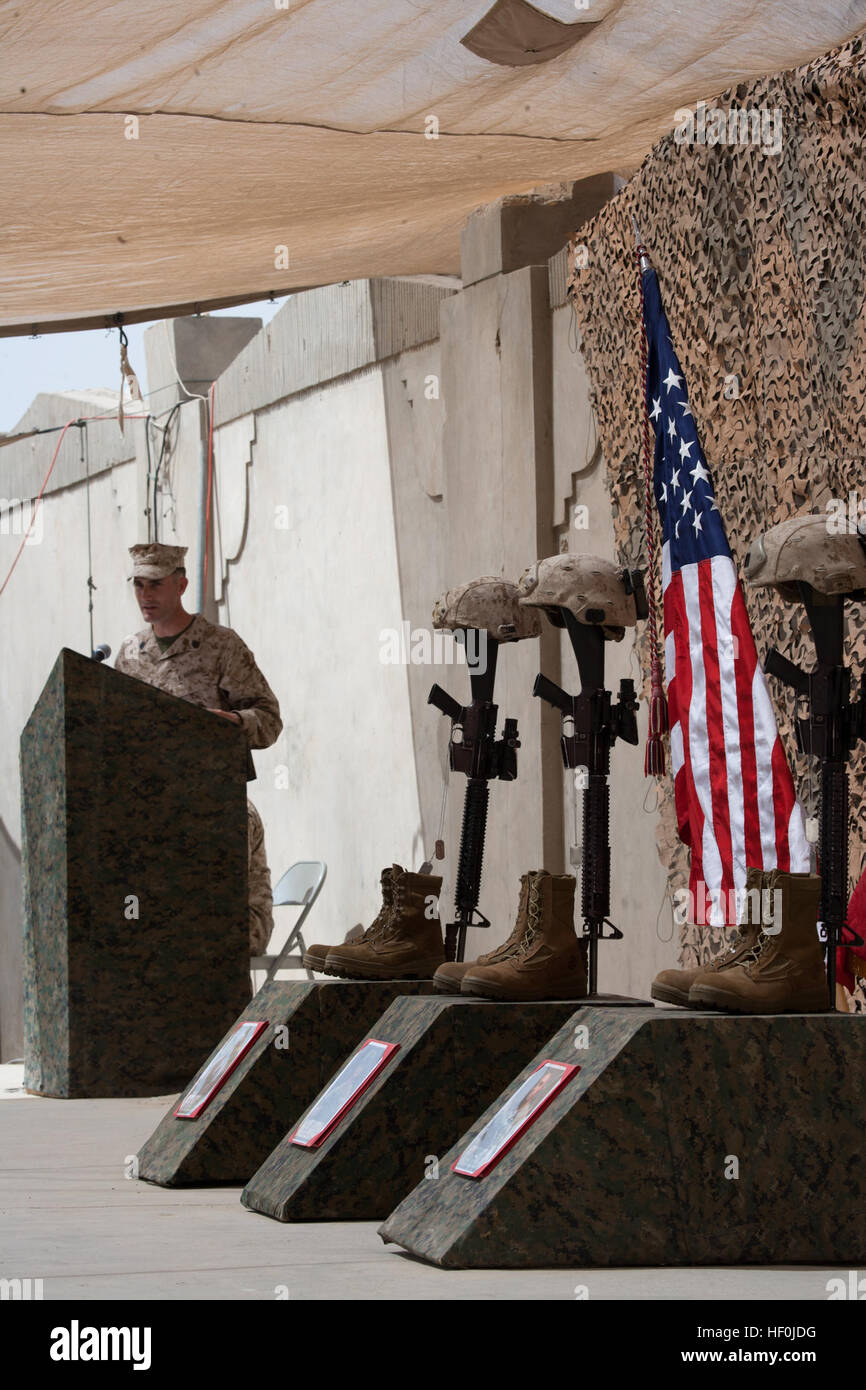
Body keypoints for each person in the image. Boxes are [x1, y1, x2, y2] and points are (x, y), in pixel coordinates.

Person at [115, 542, 282, 954]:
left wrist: (237, 723)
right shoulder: (129, 655)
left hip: (213, 806)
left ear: (181, 584)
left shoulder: (220, 645)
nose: (145, 595)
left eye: (155, 584)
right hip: (153, 820)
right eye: (137, 585)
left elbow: (269, 719)